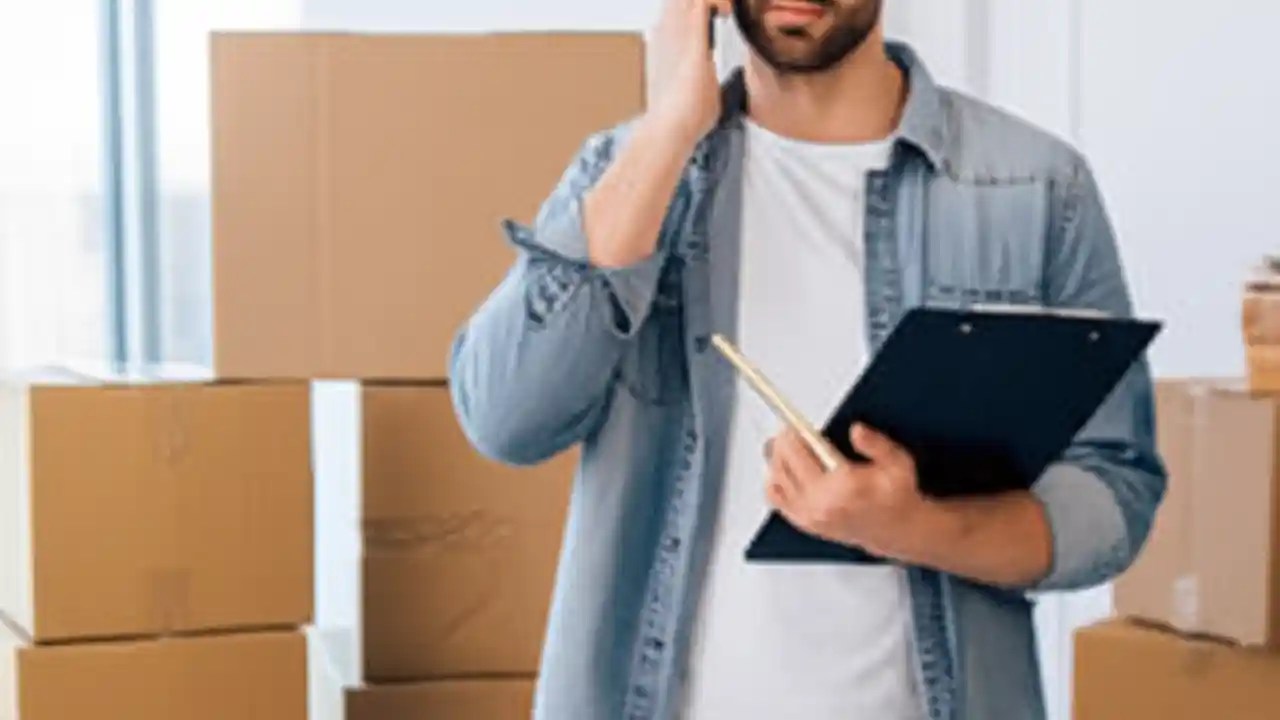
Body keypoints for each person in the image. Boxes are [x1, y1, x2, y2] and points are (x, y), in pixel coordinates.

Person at [448, 0, 1166, 718]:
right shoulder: (629, 172)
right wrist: (669, 123)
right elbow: (507, 418)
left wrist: (914, 528)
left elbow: (1114, 494)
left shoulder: (1038, 188)